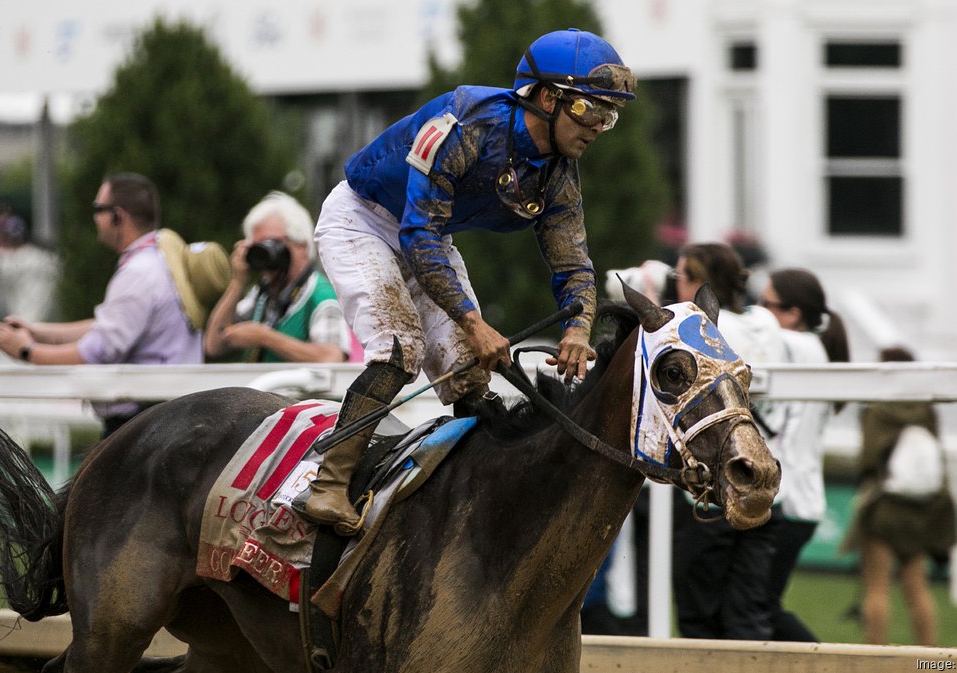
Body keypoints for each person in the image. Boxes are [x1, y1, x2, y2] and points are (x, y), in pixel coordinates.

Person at [305, 28, 637, 534]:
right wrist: (473, 322)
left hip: (429, 236)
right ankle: (328, 484)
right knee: (400, 349)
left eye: (607, 116)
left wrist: (577, 328)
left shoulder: (559, 175)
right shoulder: (465, 124)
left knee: (468, 367)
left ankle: (473, 492)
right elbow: (418, 233)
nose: (597, 127)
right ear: (548, 98)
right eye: (589, 109)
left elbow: (573, 264)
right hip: (363, 220)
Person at [0, 173, 203, 438]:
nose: (95, 218)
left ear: (117, 216)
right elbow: (109, 326)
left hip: (144, 426)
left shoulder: (138, 272)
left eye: (98, 209)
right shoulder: (158, 260)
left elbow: (96, 351)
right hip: (163, 418)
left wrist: (27, 351)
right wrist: (37, 331)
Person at [669, 243, 786, 640]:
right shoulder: (765, 324)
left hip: (716, 487)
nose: (676, 285)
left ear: (699, 282)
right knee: (748, 617)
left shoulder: (702, 330)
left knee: (698, 618)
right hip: (768, 482)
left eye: (680, 277)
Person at [758, 267, 851, 641]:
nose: (757, 313)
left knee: (758, 607)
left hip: (789, 501)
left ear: (793, 314)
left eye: (765, 304)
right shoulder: (810, 348)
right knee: (756, 606)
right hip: (799, 499)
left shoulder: (795, 346)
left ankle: (826, 664)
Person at [844, 346, 957, 646]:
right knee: (917, 588)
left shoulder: (877, 409)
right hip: (922, 507)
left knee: (877, 587)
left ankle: (873, 656)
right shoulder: (926, 409)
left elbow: (868, 459)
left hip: (885, 506)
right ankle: (930, 658)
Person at [204, 192, 354, 363]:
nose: (264, 255)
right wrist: (238, 282)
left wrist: (266, 338)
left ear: (301, 245)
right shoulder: (262, 294)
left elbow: (331, 357)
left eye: (270, 244)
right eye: (257, 247)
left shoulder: (321, 296)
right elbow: (214, 345)